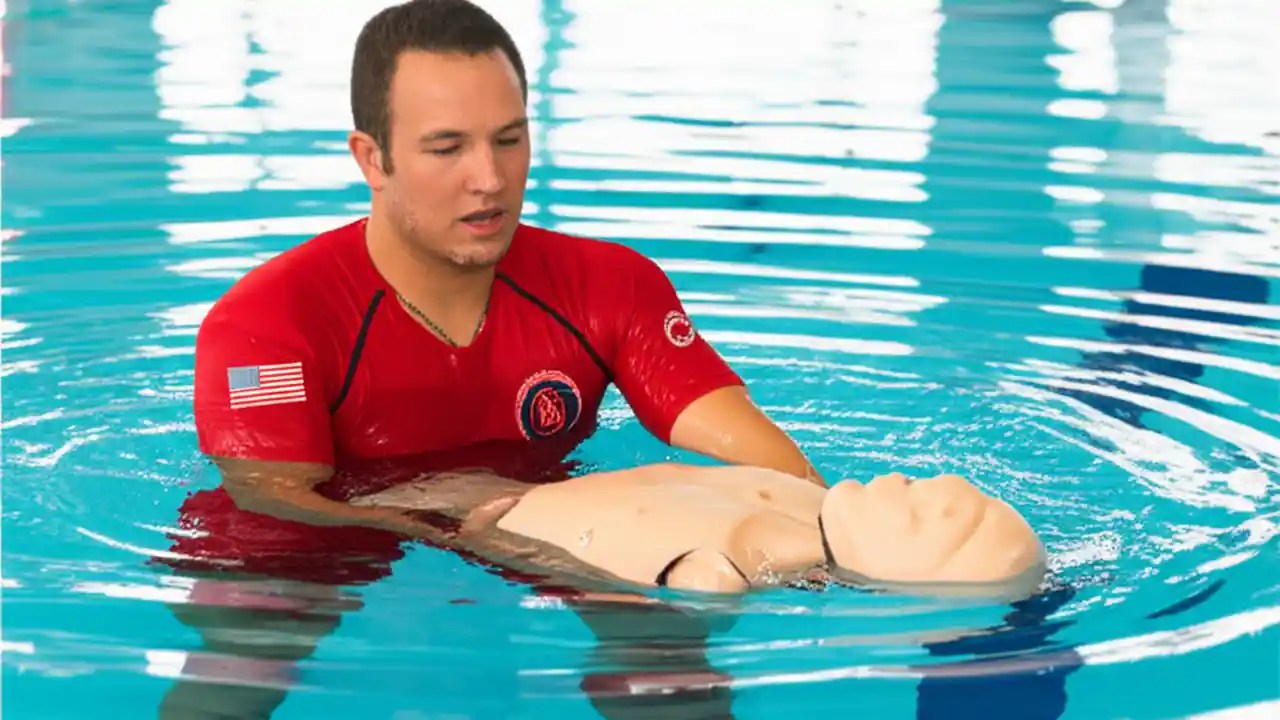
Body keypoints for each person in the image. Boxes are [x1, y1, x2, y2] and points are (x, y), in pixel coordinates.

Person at [157, 1, 818, 718]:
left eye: (509, 140)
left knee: (669, 659)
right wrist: (450, 520)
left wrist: (820, 525)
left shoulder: (609, 287)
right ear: (371, 158)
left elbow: (749, 446)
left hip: (544, 521)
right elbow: (271, 497)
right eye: (448, 149)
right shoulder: (268, 320)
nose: (490, 179)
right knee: (237, 663)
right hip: (319, 541)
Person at [352, 466, 1048, 598]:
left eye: (928, 513)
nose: (928, 484)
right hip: (513, 491)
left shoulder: (746, 566)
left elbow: (697, 585)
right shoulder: (806, 496)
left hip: (475, 536)